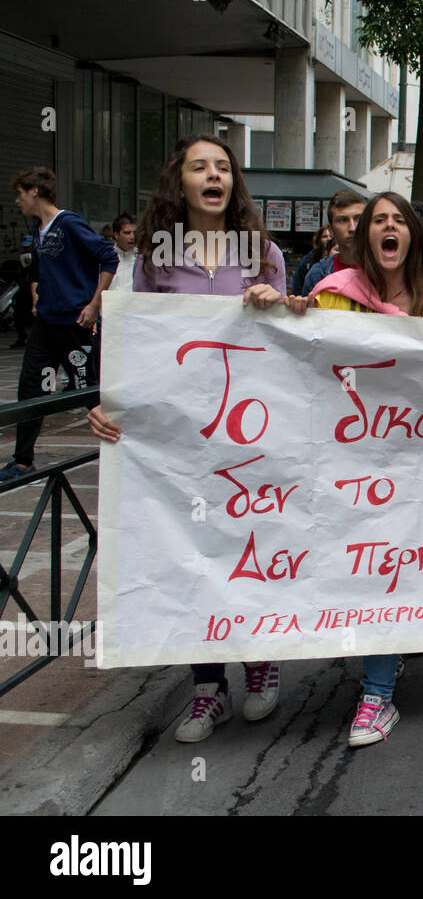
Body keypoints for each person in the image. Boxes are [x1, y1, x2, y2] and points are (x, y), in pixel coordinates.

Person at [85, 133, 287, 739]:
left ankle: (259, 660)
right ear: (181, 181)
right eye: (200, 167)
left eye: (223, 166)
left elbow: (290, 344)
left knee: (249, 543)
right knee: (194, 550)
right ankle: (207, 687)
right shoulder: (154, 259)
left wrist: (277, 303)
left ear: (234, 183)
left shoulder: (263, 254)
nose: (213, 175)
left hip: (251, 431)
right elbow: (134, 340)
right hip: (182, 434)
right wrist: (109, 400)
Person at [283, 192, 423, 746]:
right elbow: (308, 367)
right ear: (366, 237)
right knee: (375, 566)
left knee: (411, 562)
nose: (388, 226)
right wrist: (284, 316)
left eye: (398, 220)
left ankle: (395, 648)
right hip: (356, 462)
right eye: (377, 220)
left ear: (412, 234)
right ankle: (377, 694)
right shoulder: (333, 295)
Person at [1, 167, 117, 484]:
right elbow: (38, 271)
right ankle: (23, 462)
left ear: (34, 191)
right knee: (31, 392)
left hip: (74, 324)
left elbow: (109, 257)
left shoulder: (68, 224)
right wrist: (37, 296)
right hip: (45, 326)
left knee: (89, 393)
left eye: (19, 193)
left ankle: (124, 453)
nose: (17, 200)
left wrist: (94, 304)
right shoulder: (39, 230)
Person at [299, 189, 367, 296]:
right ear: (331, 230)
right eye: (343, 220)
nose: (352, 228)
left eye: (358, 219)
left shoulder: (385, 271)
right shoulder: (317, 274)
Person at [107, 213, 137, 293]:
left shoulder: (141, 260)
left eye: (134, 233)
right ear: (116, 235)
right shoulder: (107, 257)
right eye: (127, 233)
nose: (132, 237)